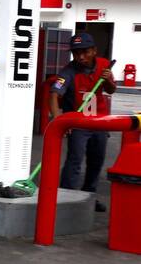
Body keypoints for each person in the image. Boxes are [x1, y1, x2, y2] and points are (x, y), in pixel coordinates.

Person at [48, 32, 116, 212]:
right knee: (75, 160)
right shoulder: (68, 71)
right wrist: (58, 121)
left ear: (94, 51)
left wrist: (107, 78)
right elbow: (54, 95)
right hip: (77, 123)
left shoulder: (104, 65)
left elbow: (111, 90)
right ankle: (64, 197)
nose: (80, 56)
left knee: (97, 160)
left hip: (99, 122)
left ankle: (89, 197)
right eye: (76, 53)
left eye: (85, 52)